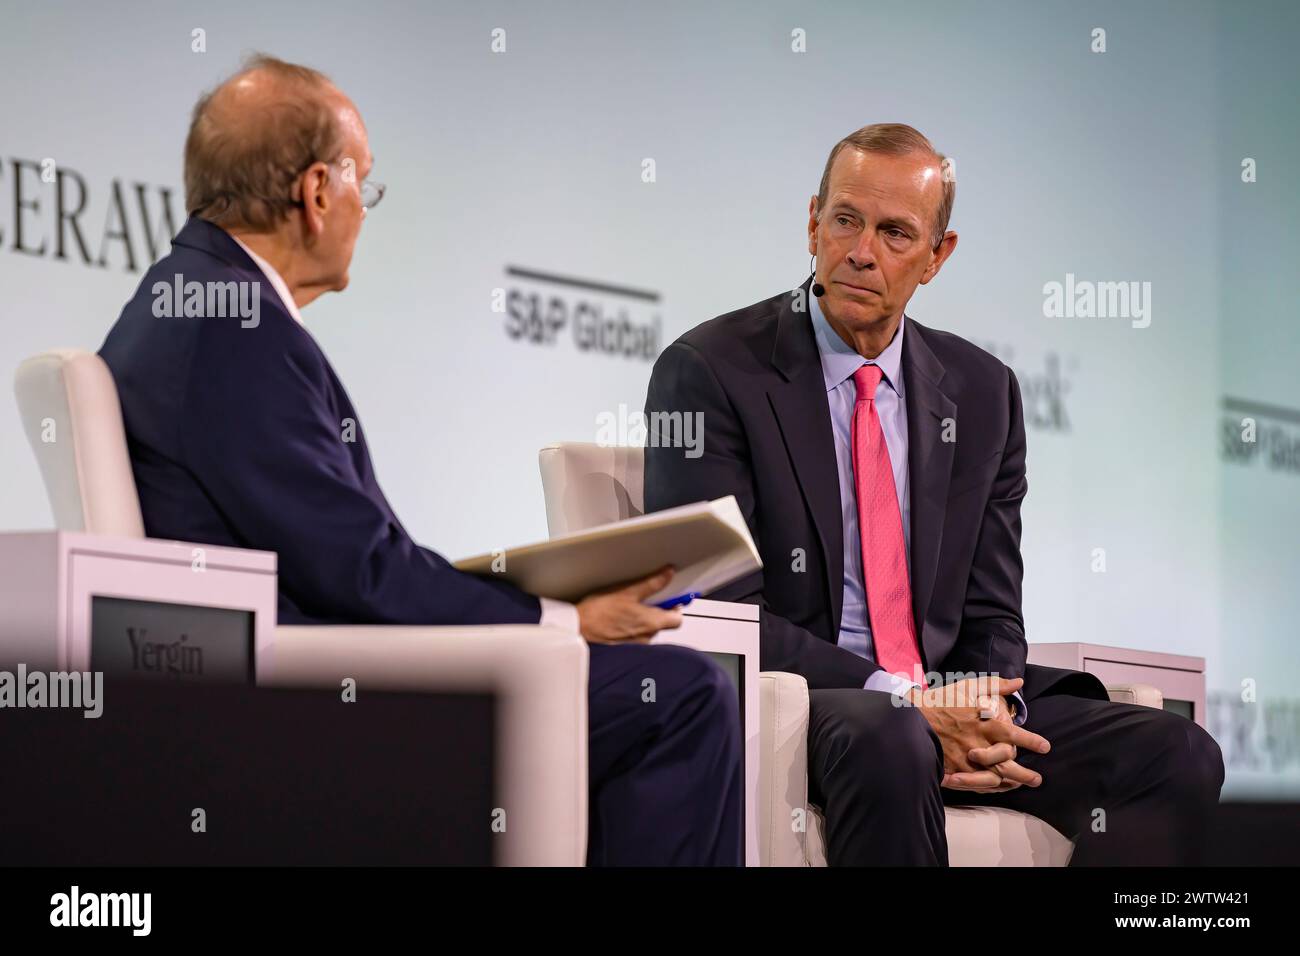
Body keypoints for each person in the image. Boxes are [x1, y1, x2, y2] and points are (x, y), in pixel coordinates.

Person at [99, 54, 741, 866]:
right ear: (315, 191)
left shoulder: (192, 297)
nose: (363, 210)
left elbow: (342, 558)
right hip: (310, 698)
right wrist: (563, 621)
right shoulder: (234, 330)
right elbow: (358, 572)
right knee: (679, 699)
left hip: (296, 667)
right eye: (362, 185)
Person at [643, 123, 1223, 865]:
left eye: (895, 233)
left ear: (937, 257)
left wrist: (983, 705)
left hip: (944, 689)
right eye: (846, 220)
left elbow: (990, 608)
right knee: (890, 734)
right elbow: (721, 612)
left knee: (1178, 755)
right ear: (812, 220)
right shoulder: (712, 370)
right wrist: (908, 701)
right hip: (818, 695)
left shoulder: (983, 393)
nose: (860, 252)